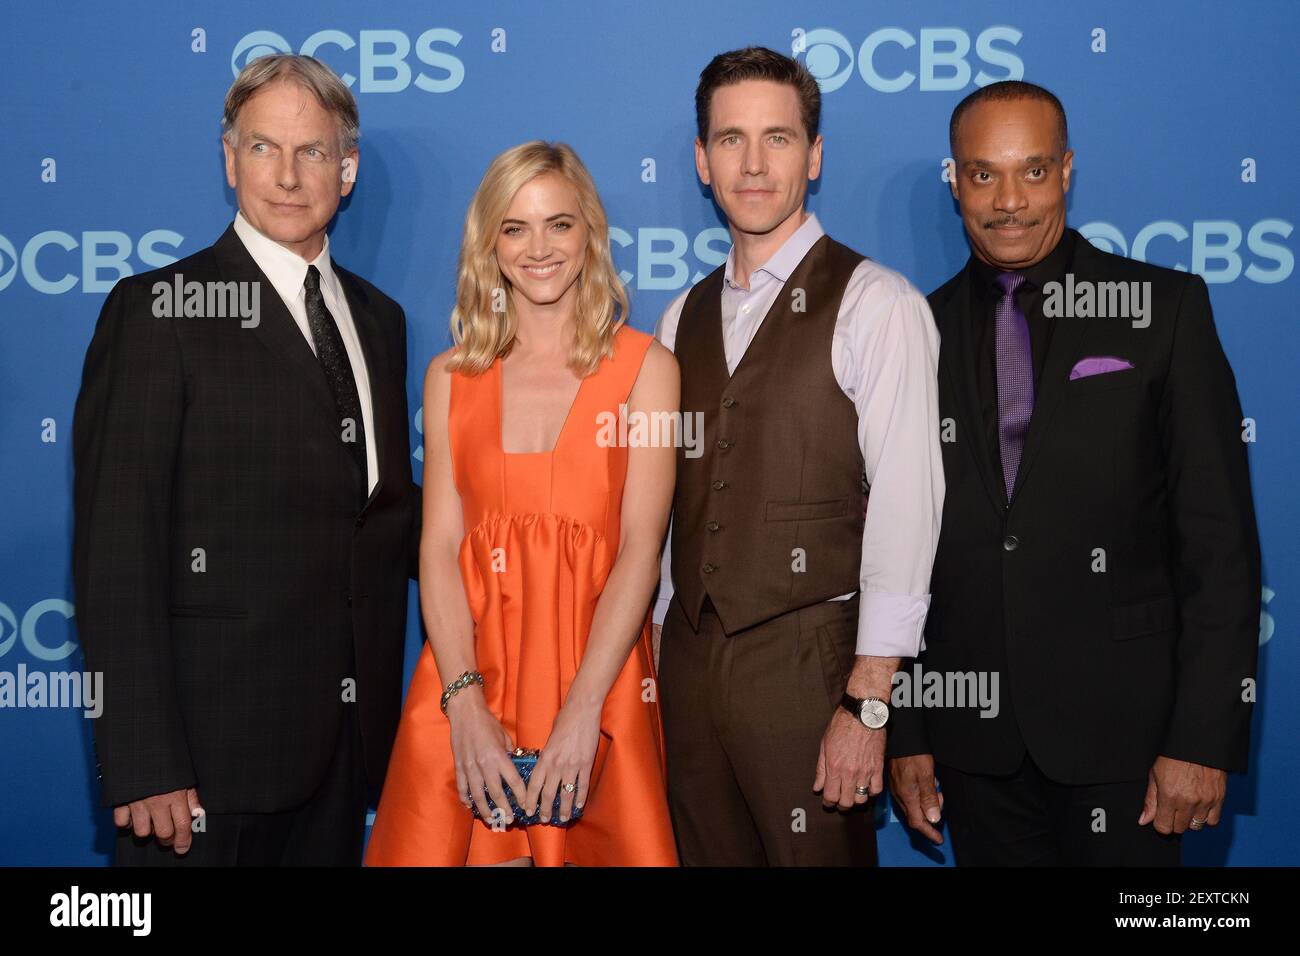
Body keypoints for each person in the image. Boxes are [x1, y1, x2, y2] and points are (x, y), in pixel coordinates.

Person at [889, 81, 1261, 866]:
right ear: (955, 183)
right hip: (976, 747)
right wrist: (911, 729)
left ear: (1067, 170)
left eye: (1032, 171)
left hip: (1131, 743)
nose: (1009, 201)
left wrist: (1202, 736)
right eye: (983, 174)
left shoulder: (1164, 310)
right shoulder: (915, 331)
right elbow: (899, 549)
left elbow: (1219, 545)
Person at [73, 54, 419, 865]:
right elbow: (116, 555)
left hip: (344, 754)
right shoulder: (159, 311)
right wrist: (145, 760)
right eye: (264, 148)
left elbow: (380, 516)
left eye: (314, 152)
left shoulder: (380, 321)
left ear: (349, 166)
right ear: (230, 161)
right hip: (200, 771)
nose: (290, 176)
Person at [652, 47, 944, 866]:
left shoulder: (877, 303)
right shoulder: (682, 317)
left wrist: (869, 706)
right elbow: (678, 516)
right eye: (731, 139)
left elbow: (907, 513)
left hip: (812, 677)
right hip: (689, 667)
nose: (753, 163)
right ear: (703, 161)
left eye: (777, 138)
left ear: (813, 156)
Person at [365, 141, 679, 867]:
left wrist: (583, 712)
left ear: (590, 233)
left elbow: (641, 551)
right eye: (516, 228)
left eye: (559, 224)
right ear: (490, 246)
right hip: (468, 681)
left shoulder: (649, 371)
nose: (540, 248)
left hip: (599, 688)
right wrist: (465, 704)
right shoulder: (451, 376)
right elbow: (439, 549)